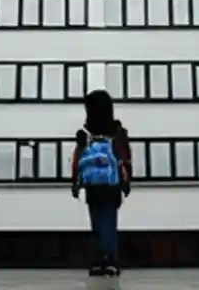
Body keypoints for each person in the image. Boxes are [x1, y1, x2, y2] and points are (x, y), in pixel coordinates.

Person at [71, 89, 131, 276]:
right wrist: (126, 181)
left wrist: (75, 182)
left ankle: (99, 260)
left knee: (97, 223)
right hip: (112, 185)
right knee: (109, 222)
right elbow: (125, 157)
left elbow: (77, 159)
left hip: (92, 186)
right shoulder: (117, 132)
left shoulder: (85, 134)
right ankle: (110, 259)